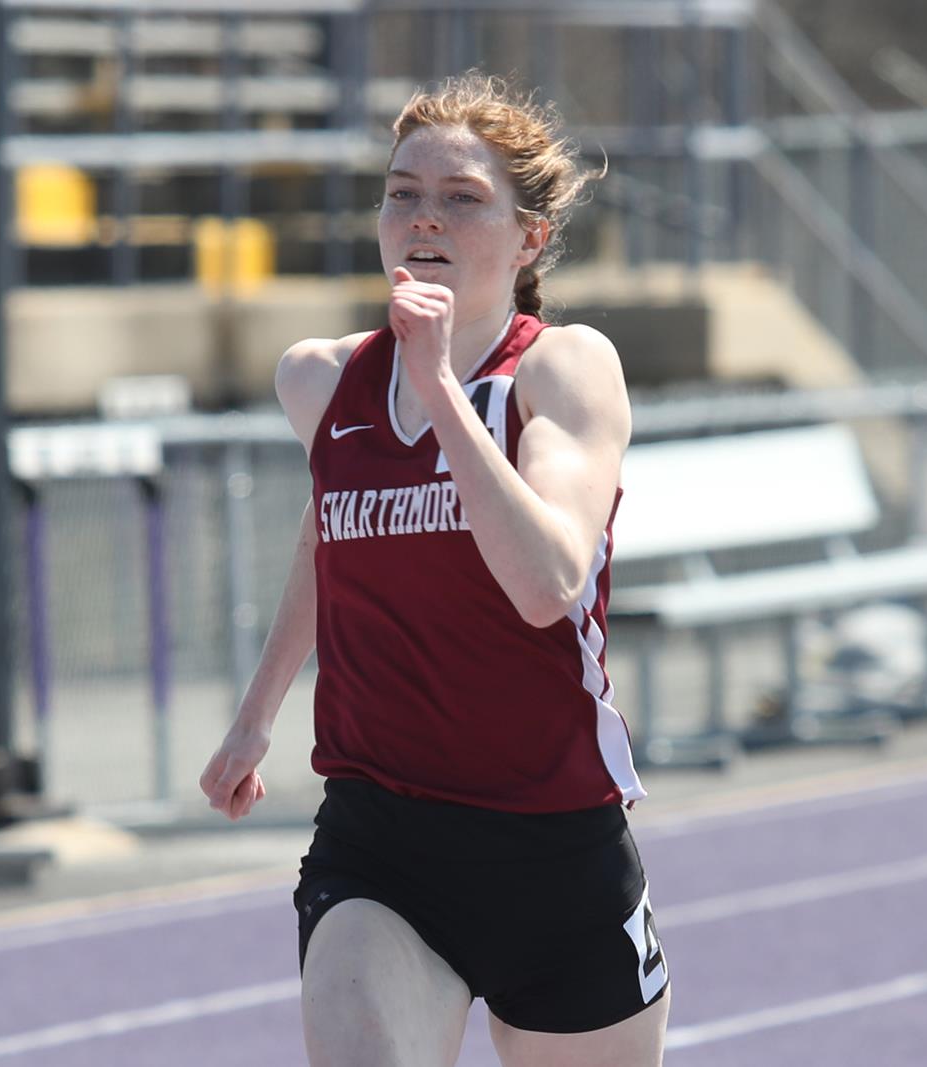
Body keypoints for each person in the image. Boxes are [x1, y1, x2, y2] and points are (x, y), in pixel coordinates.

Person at [200, 72, 669, 1066]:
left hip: (554, 843)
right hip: (382, 837)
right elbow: (328, 533)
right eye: (402, 191)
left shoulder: (558, 372)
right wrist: (255, 716)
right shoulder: (321, 379)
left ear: (529, 237)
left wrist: (441, 392)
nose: (423, 216)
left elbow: (546, 583)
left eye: (461, 198)